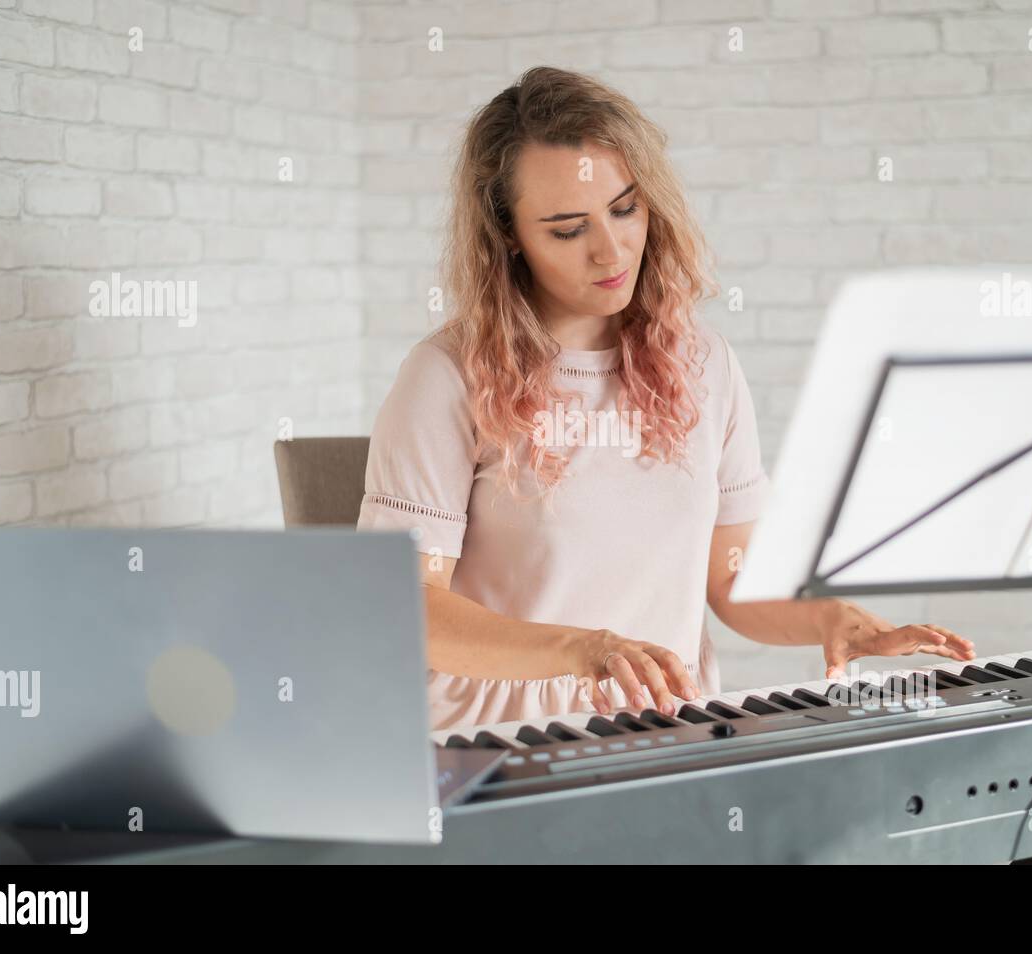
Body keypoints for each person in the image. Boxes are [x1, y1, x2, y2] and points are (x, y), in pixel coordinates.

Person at [358, 67, 974, 730]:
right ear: (507, 234)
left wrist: (830, 618)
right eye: (568, 230)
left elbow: (732, 582)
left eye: (625, 208)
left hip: (668, 730)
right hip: (495, 745)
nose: (611, 248)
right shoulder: (445, 375)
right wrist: (580, 649)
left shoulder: (705, 364)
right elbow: (404, 604)